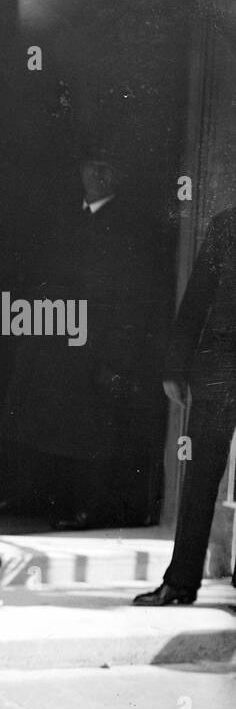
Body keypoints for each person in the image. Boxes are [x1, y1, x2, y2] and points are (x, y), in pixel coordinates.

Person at [0, 142, 169, 528]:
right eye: (91, 167)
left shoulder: (130, 229)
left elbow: (133, 302)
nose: (97, 176)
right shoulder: (67, 218)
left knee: (92, 433)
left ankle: (89, 509)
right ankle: (44, 501)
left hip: (98, 350)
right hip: (57, 342)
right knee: (50, 425)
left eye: (107, 168)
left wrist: (114, 360)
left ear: (119, 176)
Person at [135, 207, 236, 606]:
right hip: (219, 368)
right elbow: (198, 295)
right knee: (199, 479)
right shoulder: (228, 225)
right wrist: (175, 366)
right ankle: (180, 582)